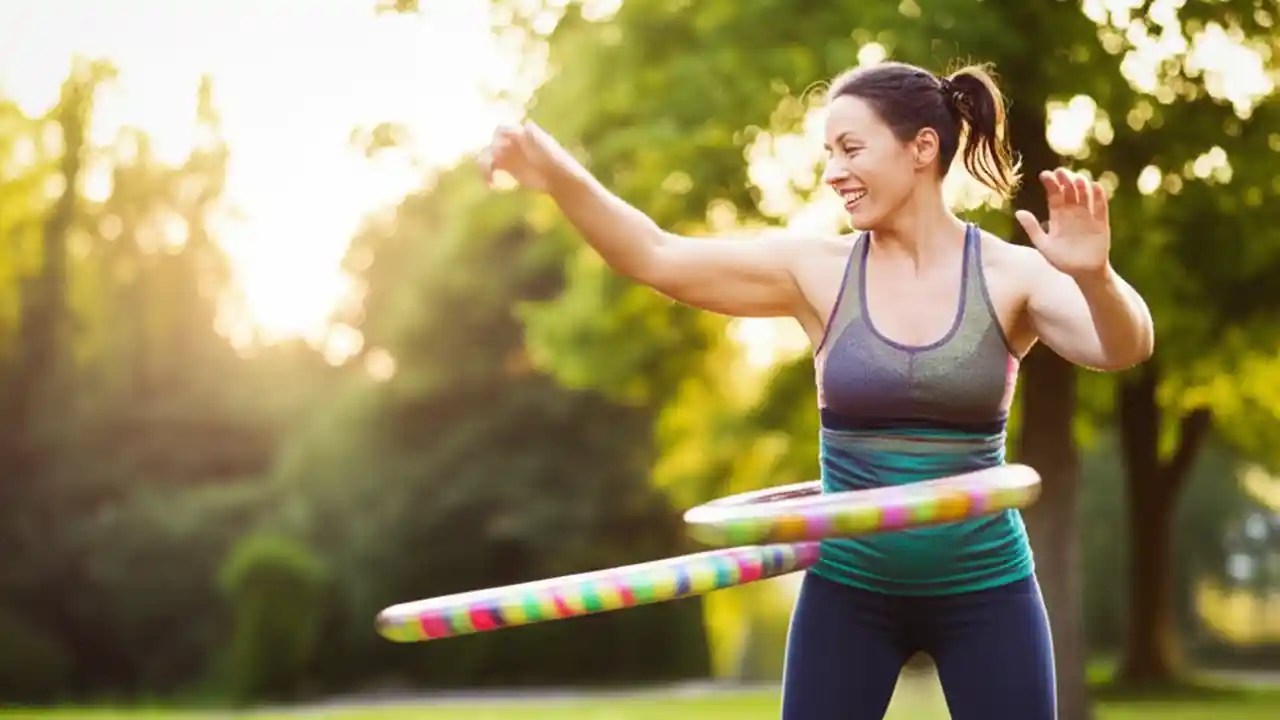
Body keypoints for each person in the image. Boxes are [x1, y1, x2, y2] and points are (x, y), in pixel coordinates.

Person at [481, 59, 1153, 720]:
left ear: (922, 147)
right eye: (828, 152)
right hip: (849, 594)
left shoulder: (1012, 274)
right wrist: (557, 175)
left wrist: (1096, 278)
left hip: (987, 592)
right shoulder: (817, 272)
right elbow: (657, 257)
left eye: (851, 148)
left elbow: (1122, 348)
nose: (834, 172)